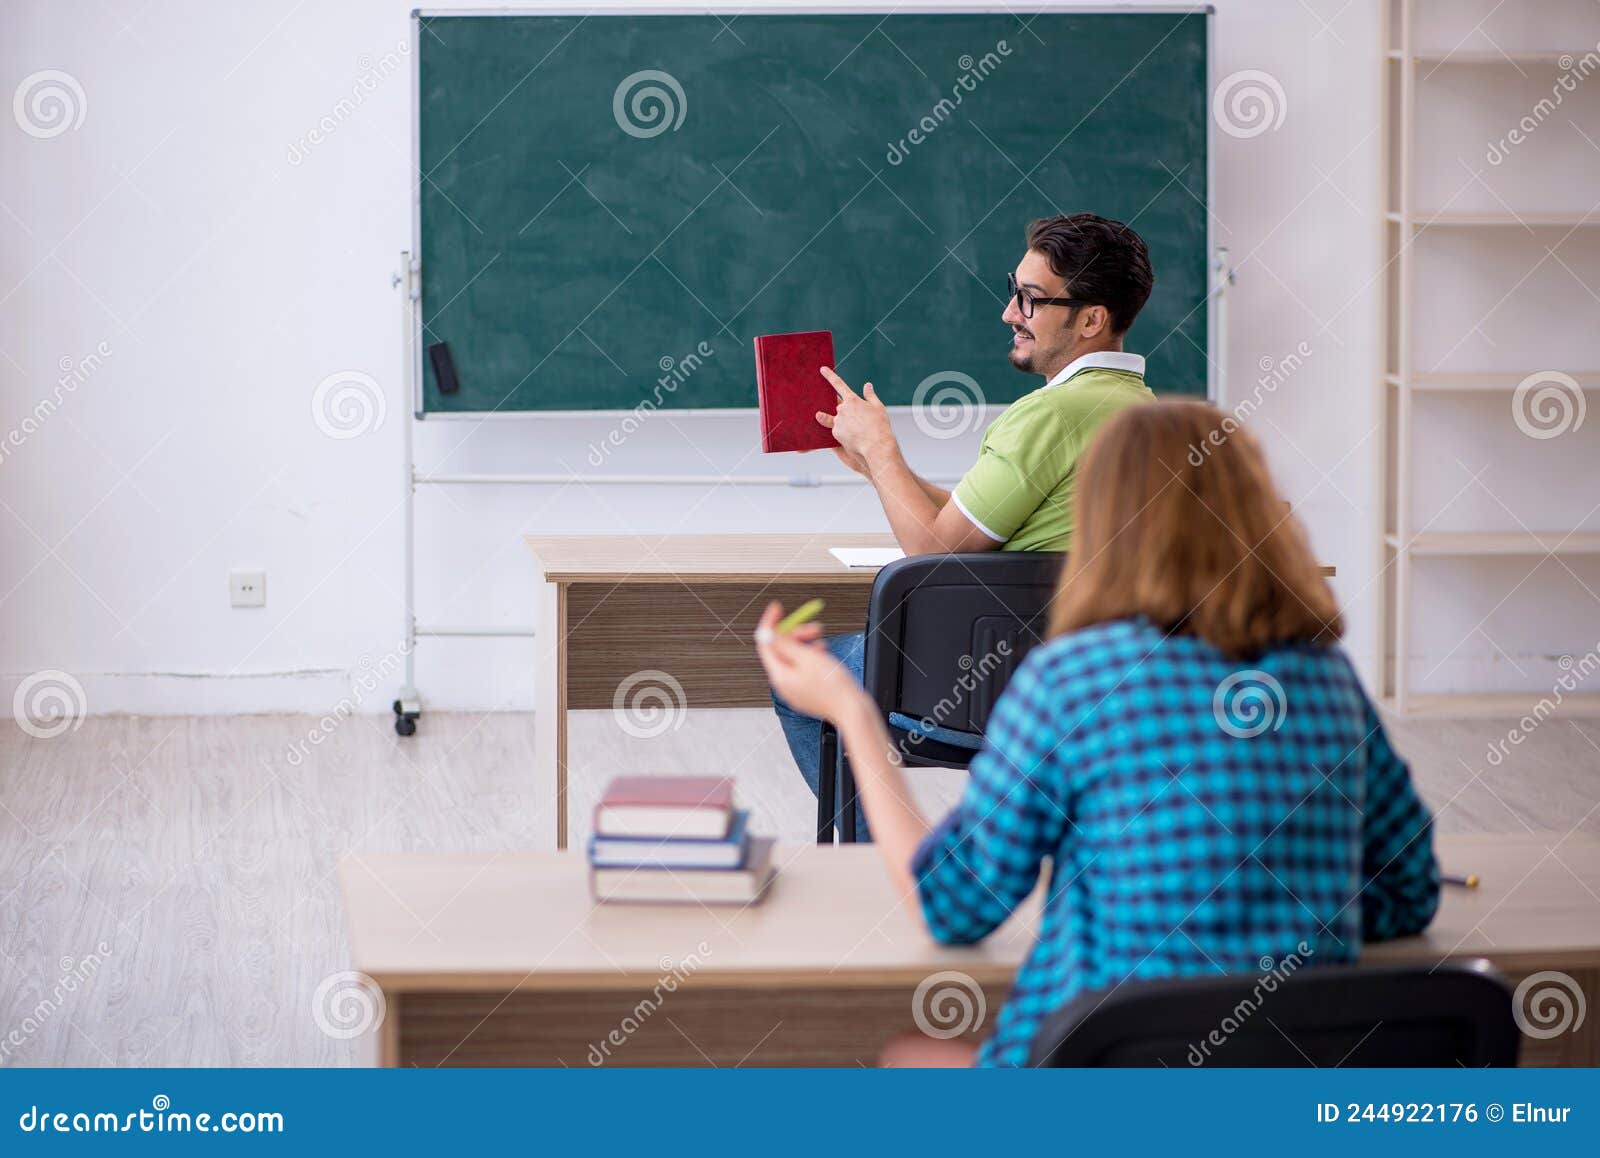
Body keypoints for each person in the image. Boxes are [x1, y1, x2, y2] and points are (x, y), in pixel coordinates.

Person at [755, 400, 1440, 1068]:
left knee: (906, 1059)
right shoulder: (1327, 681)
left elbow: (953, 906)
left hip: (1096, 1076)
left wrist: (852, 710)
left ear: (1104, 522)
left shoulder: (1073, 679)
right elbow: (1409, 895)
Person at [775, 212, 1157, 805]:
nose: (1010, 314)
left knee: (800, 676)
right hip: (1090, 681)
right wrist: (883, 470)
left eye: (1031, 300)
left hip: (981, 679)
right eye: (1015, 292)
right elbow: (980, 523)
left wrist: (882, 448)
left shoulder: (1047, 416)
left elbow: (933, 555)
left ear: (1091, 319)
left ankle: (875, 864)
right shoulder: (1144, 411)